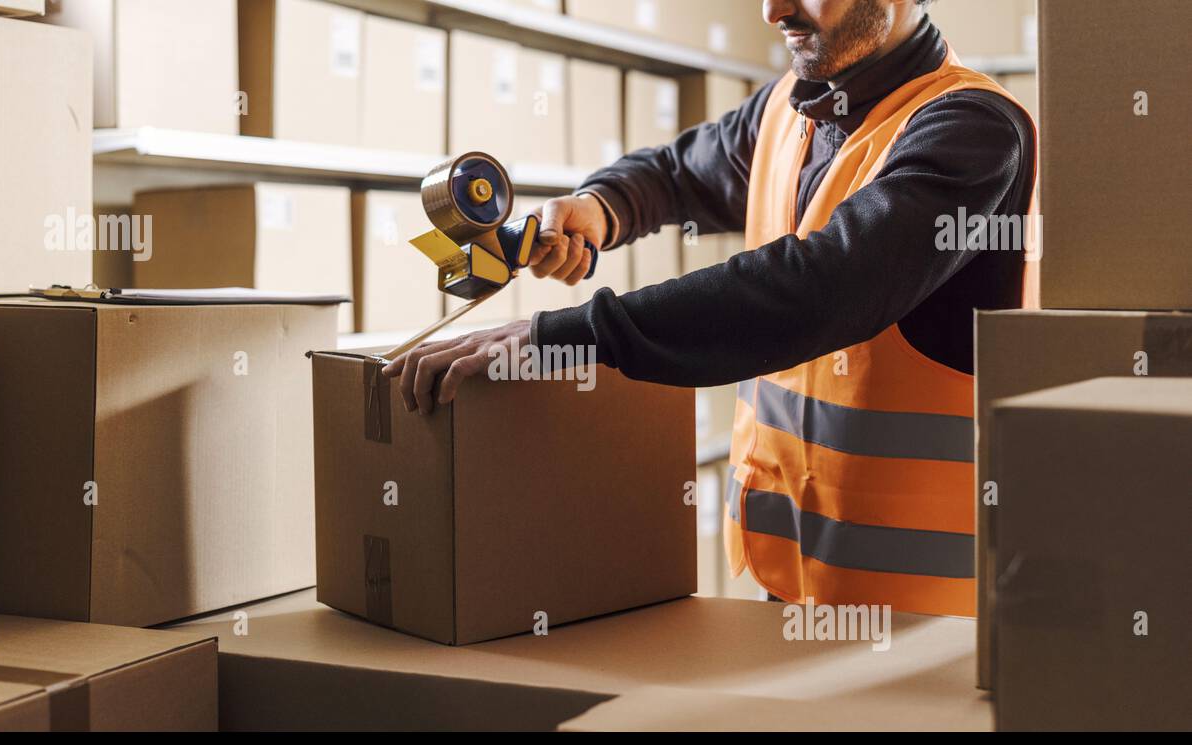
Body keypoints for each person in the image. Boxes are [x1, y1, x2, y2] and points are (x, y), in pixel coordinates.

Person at [382, 0, 1037, 617]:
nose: (773, 9)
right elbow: (677, 173)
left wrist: (569, 336)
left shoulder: (974, 130)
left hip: (920, 618)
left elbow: (822, 288)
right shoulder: (788, 110)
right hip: (786, 587)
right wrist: (603, 207)